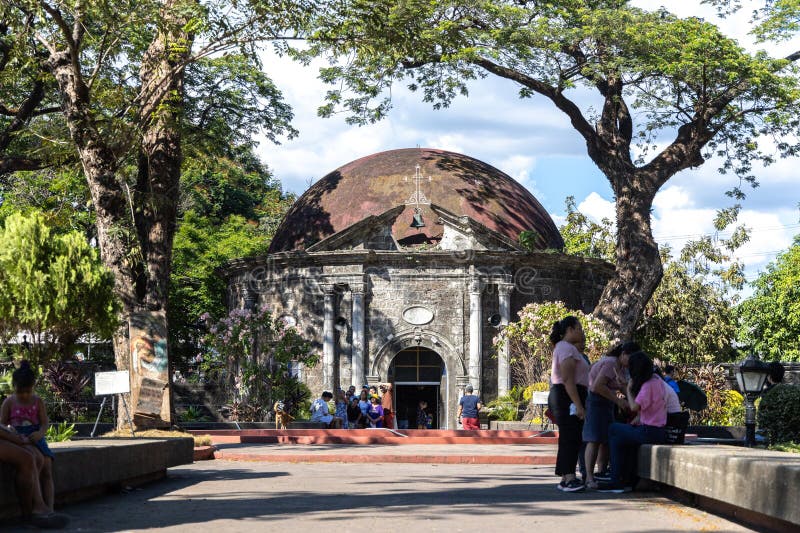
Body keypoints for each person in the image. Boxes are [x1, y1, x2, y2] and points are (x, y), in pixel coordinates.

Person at [0, 361, 67, 528]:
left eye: (27, 391)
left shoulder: (37, 401)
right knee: (33, 459)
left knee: (45, 464)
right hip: (18, 437)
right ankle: (37, 508)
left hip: (34, 437)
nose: (23, 395)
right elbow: (2, 424)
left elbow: (44, 423)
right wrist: (12, 433)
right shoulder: (9, 402)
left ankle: (46, 507)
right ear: (14, 387)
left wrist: (38, 434)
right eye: (20, 391)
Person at [598, 352, 668, 493]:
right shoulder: (657, 380)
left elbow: (634, 407)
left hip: (648, 431)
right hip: (659, 430)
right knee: (620, 438)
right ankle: (623, 480)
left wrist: (628, 389)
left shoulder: (648, 385)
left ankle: (616, 480)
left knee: (613, 429)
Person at [548, 316, 590, 492]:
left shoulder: (567, 348)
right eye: (579, 328)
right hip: (567, 395)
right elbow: (567, 379)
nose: (581, 332)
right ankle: (569, 477)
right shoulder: (566, 348)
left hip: (569, 394)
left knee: (570, 436)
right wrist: (578, 405)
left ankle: (566, 476)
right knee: (571, 436)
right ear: (571, 329)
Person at [583, 343, 631, 489]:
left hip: (607, 403)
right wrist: (618, 400)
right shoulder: (611, 363)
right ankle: (589, 477)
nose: (631, 361)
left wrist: (630, 399)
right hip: (596, 401)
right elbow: (598, 386)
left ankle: (601, 472)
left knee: (606, 438)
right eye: (630, 357)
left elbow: (622, 385)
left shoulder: (621, 367)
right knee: (594, 438)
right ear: (623, 354)